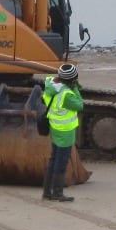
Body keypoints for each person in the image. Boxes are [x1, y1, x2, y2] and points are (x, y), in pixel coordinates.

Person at [39, 62, 84, 202]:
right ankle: (58, 193)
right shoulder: (67, 94)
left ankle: (47, 192)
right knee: (61, 162)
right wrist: (75, 88)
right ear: (72, 79)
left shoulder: (51, 86)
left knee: (53, 160)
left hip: (54, 128)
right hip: (65, 132)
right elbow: (80, 105)